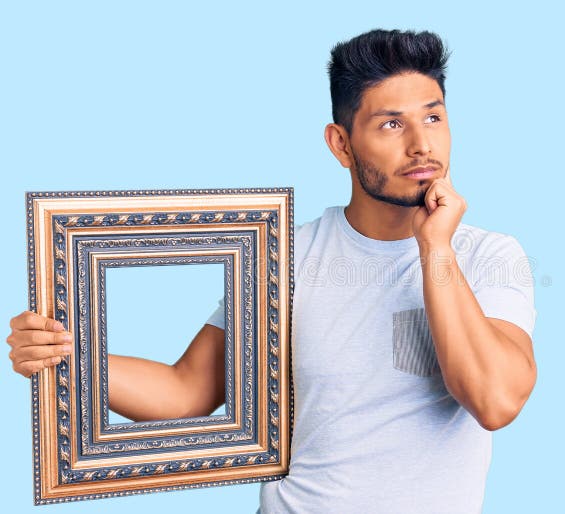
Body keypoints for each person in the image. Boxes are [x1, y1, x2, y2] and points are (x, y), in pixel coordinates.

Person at [7, 29, 537, 513]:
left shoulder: (489, 256)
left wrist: (436, 250)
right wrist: (64, 354)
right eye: (391, 124)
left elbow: (494, 400)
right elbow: (186, 390)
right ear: (341, 144)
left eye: (434, 117)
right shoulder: (283, 257)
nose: (422, 144)